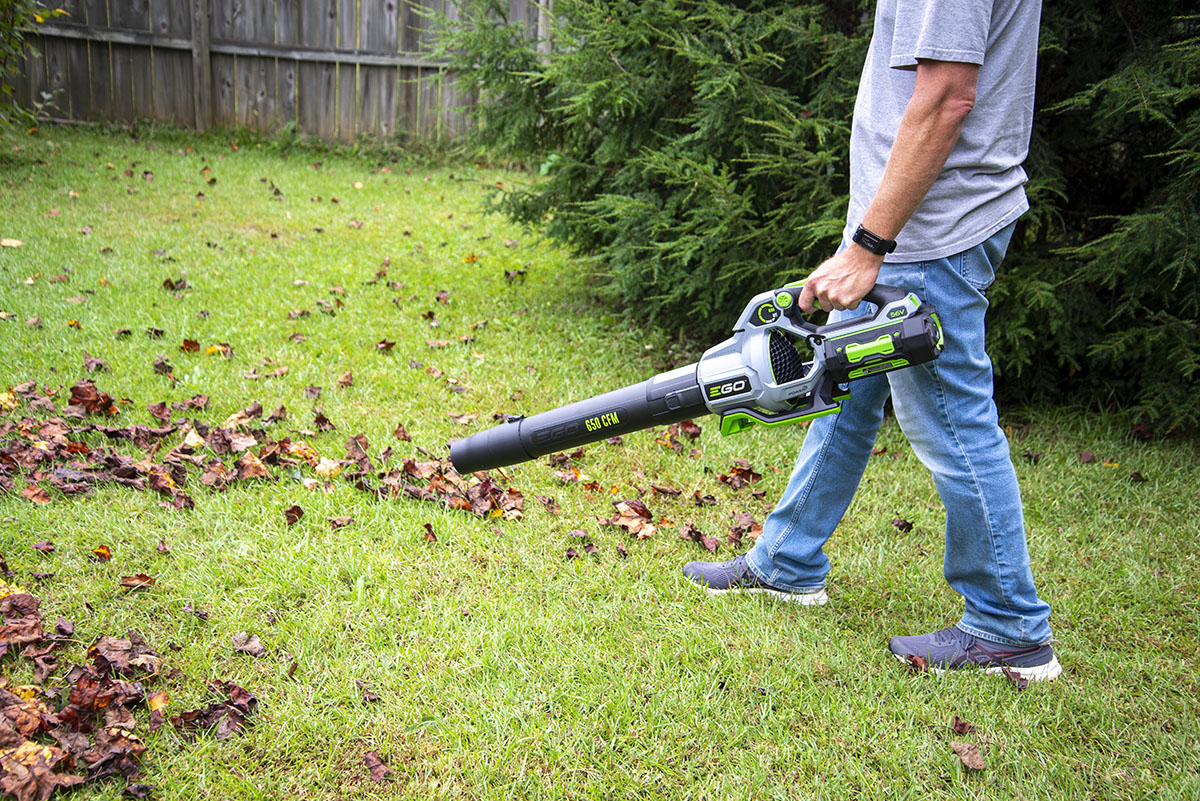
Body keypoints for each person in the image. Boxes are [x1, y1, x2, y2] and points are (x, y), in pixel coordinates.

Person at [682, 0, 1061, 681]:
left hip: (928, 230)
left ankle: (1008, 624)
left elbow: (948, 96)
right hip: (908, 224)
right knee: (845, 390)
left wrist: (870, 243)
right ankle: (787, 561)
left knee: (952, 419)